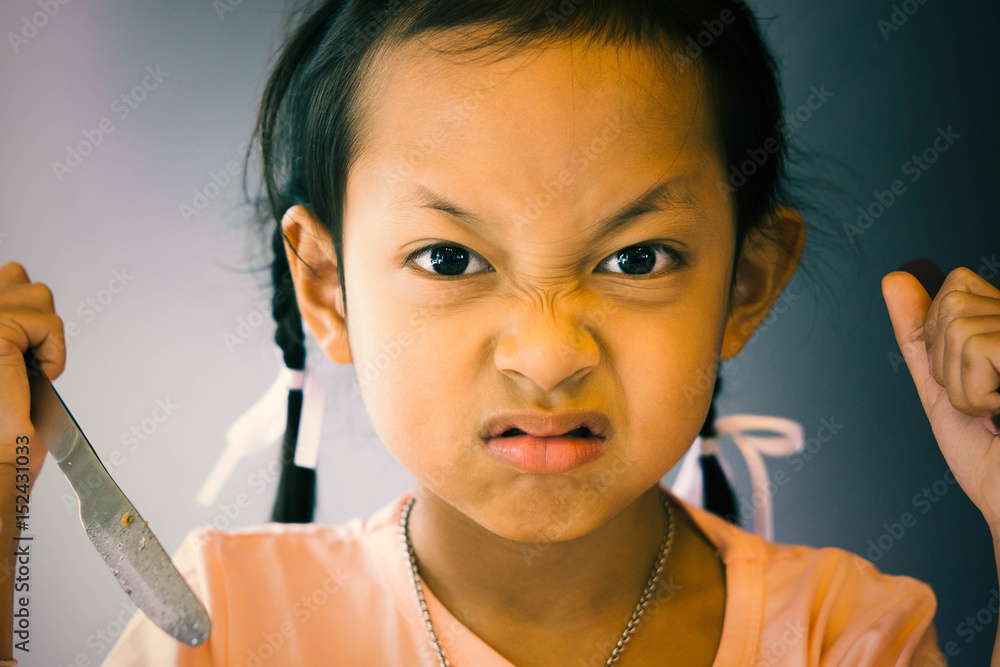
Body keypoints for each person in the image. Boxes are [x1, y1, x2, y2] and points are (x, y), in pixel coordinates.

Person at [2, 0, 998, 664]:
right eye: (448, 259)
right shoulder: (225, 623)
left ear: (745, 283)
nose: (548, 352)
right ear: (328, 286)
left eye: (635, 258)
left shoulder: (841, 635)